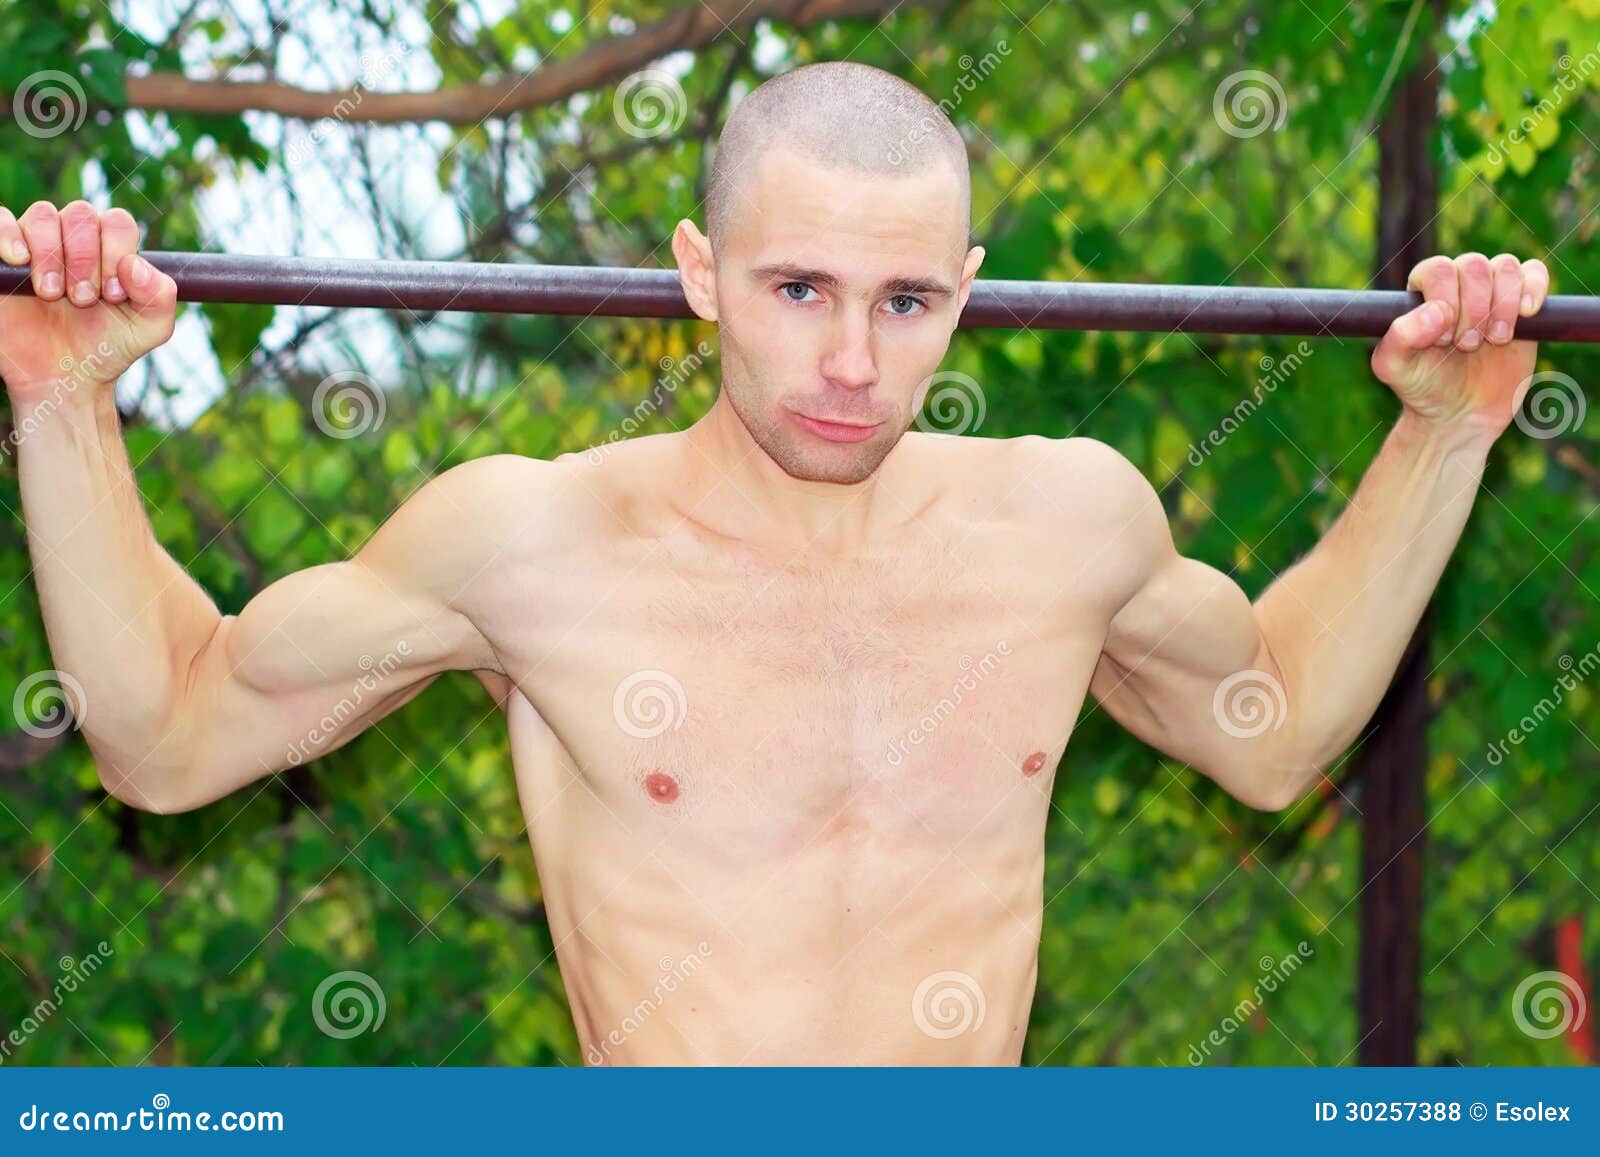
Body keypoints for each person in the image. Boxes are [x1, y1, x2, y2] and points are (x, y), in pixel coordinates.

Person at [0, 61, 1551, 1065]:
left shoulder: (1066, 527)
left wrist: (1445, 436)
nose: (853, 360)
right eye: (799, 285)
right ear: (699, 273)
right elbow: (167, 737)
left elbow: (1270, 732)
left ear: (966, 293)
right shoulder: (531, 544)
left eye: (903, 301)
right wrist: (63, 398)